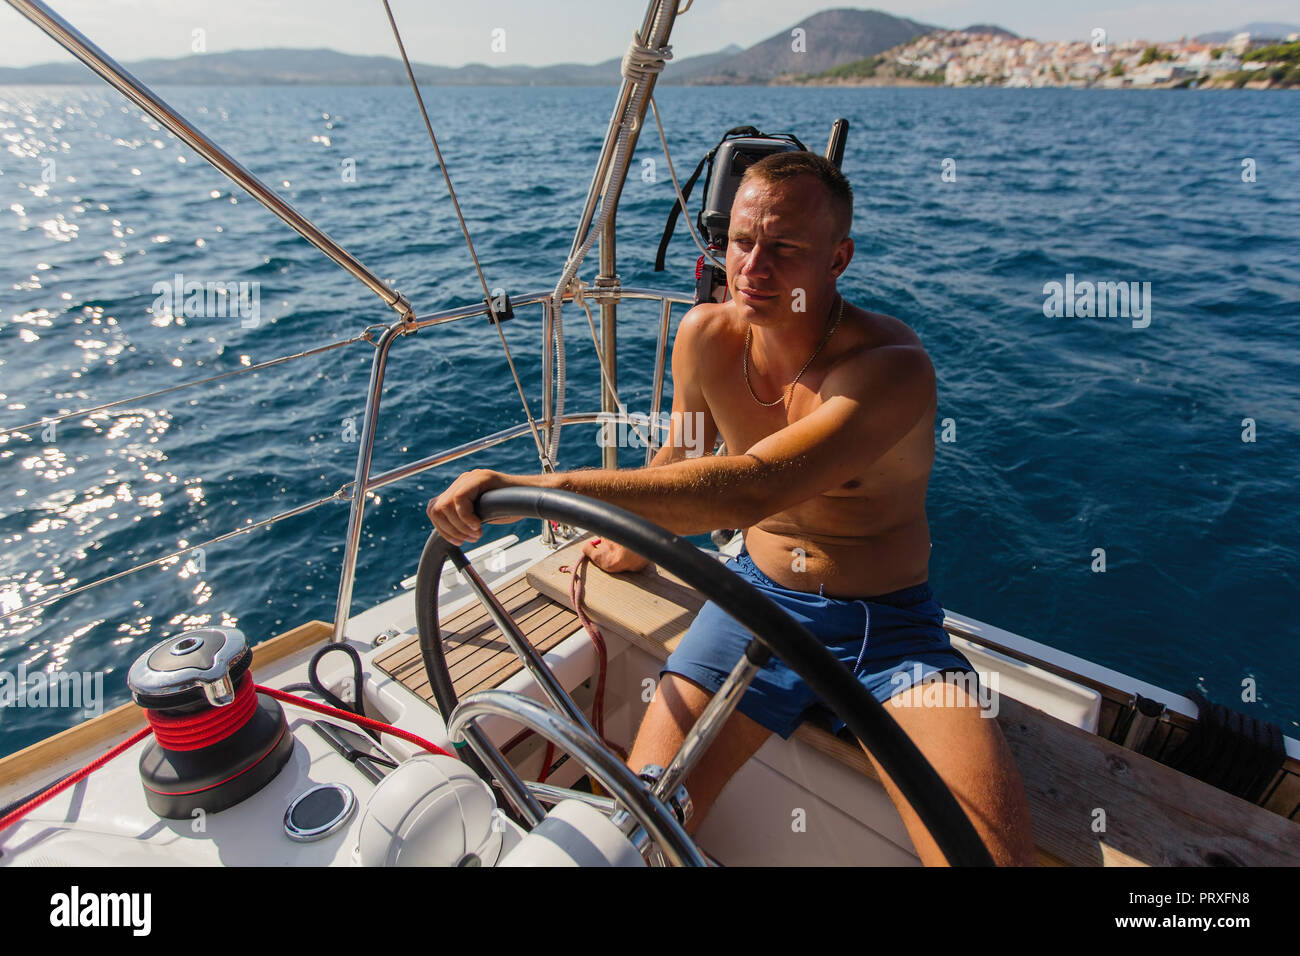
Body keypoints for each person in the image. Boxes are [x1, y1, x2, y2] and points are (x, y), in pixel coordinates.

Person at [427, 151, 1037, 866]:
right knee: (631, 825)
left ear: (838, 259)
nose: (752, 267)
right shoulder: (705, 339)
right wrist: (631, 543)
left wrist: (546, 493)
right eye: (741, 242)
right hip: (751, 601)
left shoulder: (891, 368)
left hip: (889, 632)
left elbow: (750, 488)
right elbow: (686, 457)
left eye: (784, 249)